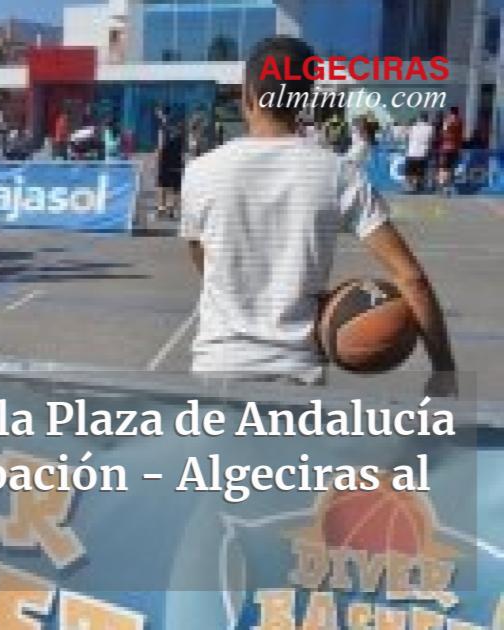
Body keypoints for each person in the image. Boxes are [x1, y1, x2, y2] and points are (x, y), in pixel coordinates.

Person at [179, 36, 456, 394]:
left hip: (217, 366)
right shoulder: (337, 173)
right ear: (304, 98)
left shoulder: (201, 171)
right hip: (296, 374)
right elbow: (411, 279)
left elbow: (204, 259)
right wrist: (443, 370)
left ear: (247, 94)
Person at [405, 114, 435, 193]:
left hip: (411, 152)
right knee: (419, 172)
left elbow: (406, 136)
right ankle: (416, 187)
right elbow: (431, 139)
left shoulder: (413, 127)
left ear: (419, 118)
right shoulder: (430, 128)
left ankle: (410, 187)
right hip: (422, 153)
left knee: (410, 172)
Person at [437, 106, 463, 196]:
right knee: (451, 168)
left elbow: (443, 133)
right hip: (455, 148)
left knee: (443, 167)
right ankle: (448, 187)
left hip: (446, 147)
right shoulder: (459, 121)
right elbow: (460, 136)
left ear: (450, 112)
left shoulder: (447, 121)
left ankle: (443, 186)